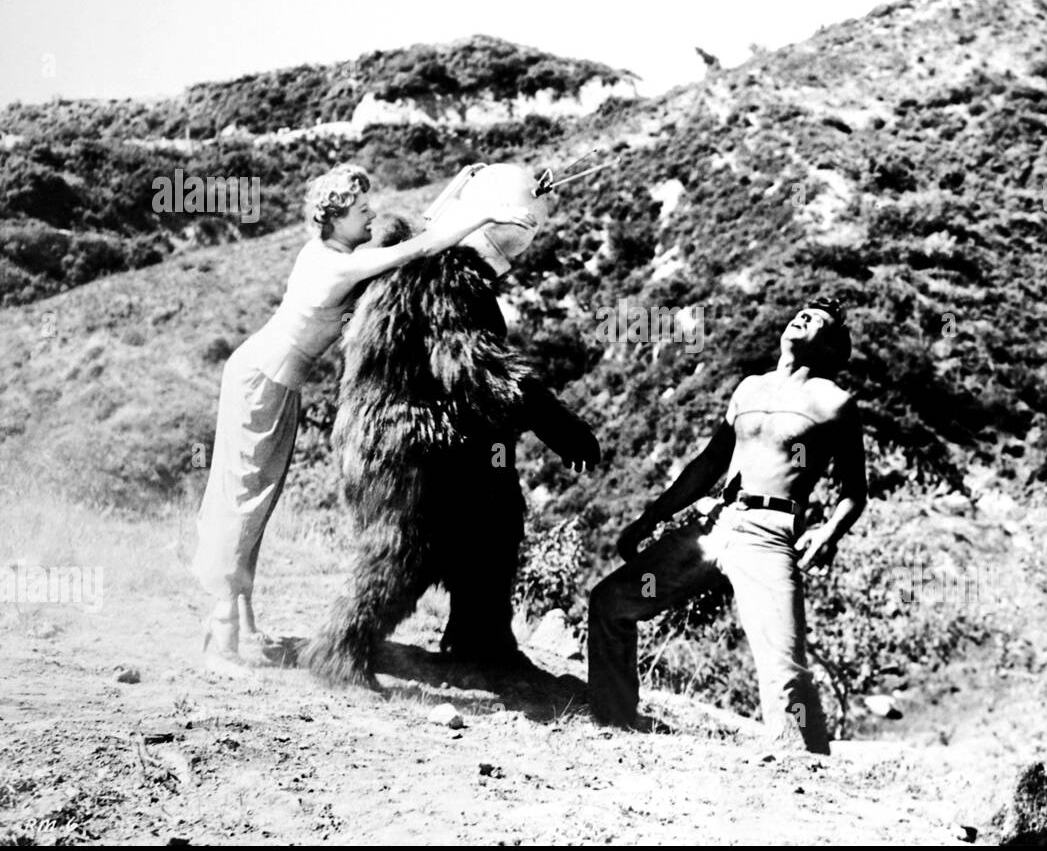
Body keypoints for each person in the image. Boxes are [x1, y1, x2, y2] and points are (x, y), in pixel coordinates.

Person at [193, 162, 537, 675]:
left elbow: (420, 227)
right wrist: (487, 211)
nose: (371, 214)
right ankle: (220, 638)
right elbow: (419, 248)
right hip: (259, 379)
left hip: (280, 383)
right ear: (333, 220)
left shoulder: (340, 252)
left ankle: (242, 625)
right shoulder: (334, 266)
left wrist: (459, 187)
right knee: (242, 499)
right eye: (360, 210)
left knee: (258, 501)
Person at [587, 299, 866, 752]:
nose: (803, 318)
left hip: (770, 534)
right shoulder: (749, 389)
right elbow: (709, 464)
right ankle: (613, 728)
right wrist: (650, 519)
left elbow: (854, 493)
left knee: (783, 667)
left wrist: (828, 532)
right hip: (715, 523)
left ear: (832, 349)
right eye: (802, 312)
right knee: (612, 602)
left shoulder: (833, 402)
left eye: (819, 322)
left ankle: (806, 769)